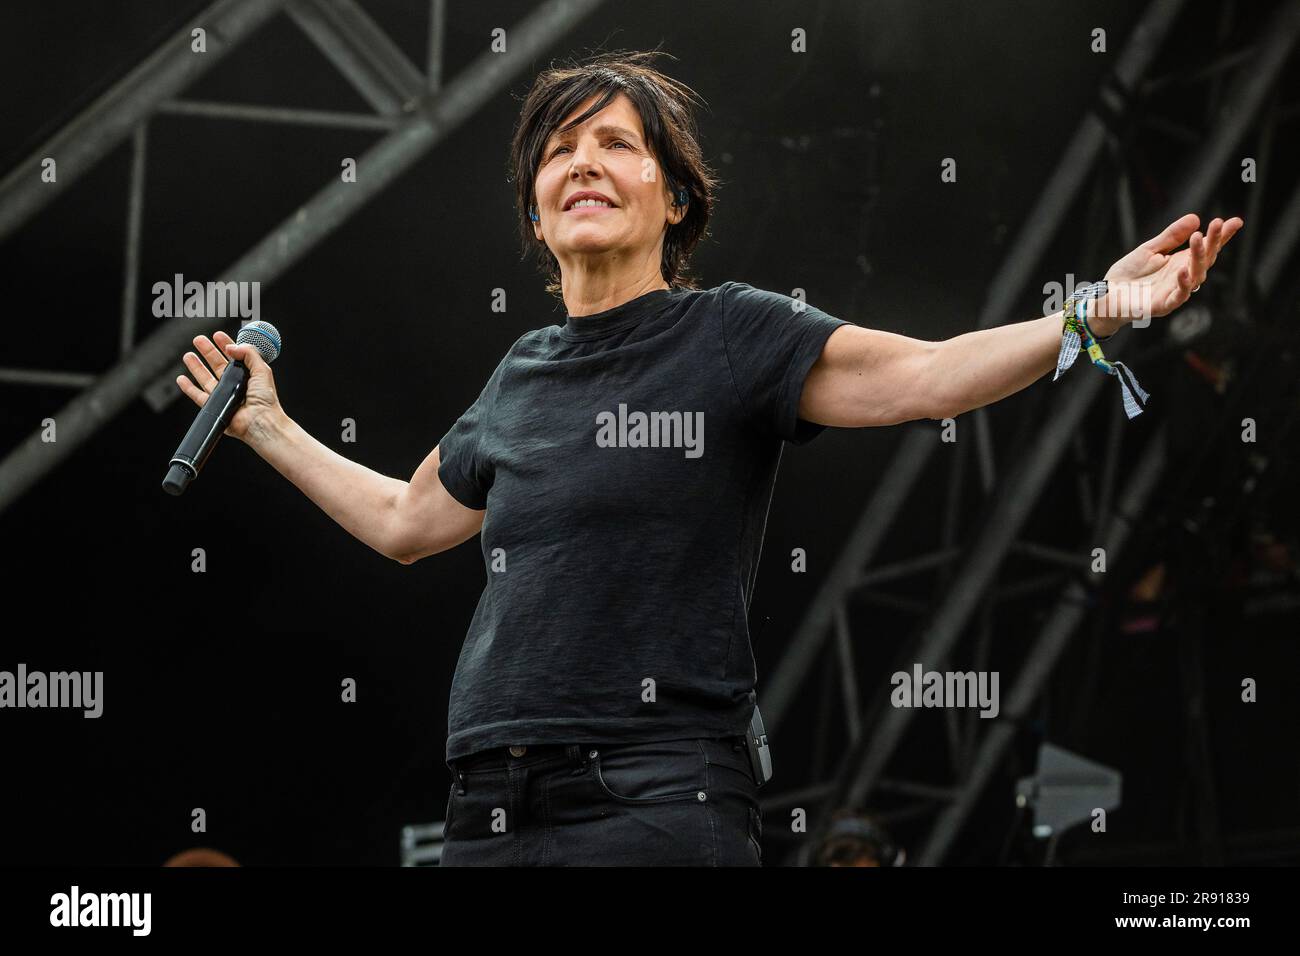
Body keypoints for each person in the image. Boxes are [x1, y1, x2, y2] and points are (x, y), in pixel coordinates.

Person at [175, 50, 1242, 866]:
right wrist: (266, 426)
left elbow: (928, 375)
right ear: (537, 213)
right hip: (487, 803)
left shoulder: (731, 332)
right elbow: (408, 523)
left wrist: (1094, 312)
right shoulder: (521, 371)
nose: (581, 162)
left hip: (652, 795)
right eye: (558, 150)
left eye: (615, 144)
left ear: (674, 198)